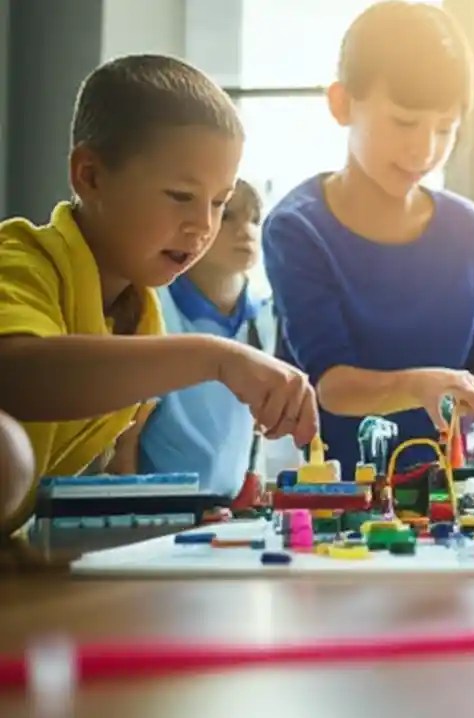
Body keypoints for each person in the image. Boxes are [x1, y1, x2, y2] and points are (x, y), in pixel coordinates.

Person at [0, 55, 318, 538]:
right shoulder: (22, 258)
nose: (204, 226)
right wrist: (215, 357)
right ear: (90, 175)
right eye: (180, 195)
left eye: (219, 202)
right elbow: (15, 375)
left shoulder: (142, 313)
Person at [263, 1, 474, 480]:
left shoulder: (469, 231)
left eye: (445, 128)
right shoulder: (298, 229)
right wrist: (419, 385)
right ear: (341, 103)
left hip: (452, 492)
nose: (425, 149)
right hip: (340, 493)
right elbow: (331, 386)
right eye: (405, 122)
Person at [106, 180, 276, 497]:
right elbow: (125, 438)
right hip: (156, 507)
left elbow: (255, 430)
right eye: (228, 216)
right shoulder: (153, 305)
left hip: (226, 510)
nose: (247, 230)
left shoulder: (265, 317)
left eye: (255, 219)